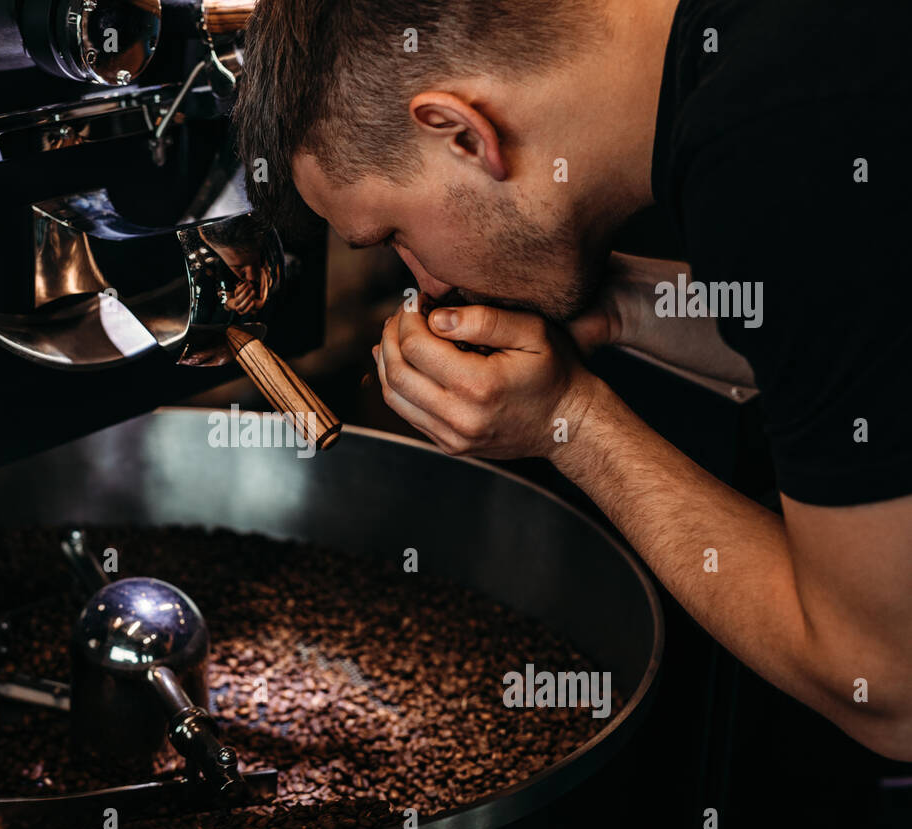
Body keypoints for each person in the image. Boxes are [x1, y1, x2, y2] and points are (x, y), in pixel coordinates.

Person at [232, 0, 912, 758]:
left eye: (394, 235)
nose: (426, 283)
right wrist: (622, 306)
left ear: (461, 133)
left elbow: (888, 685)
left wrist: (571, 422)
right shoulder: (767, 58)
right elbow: (848, 346)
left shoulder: (776, 143)